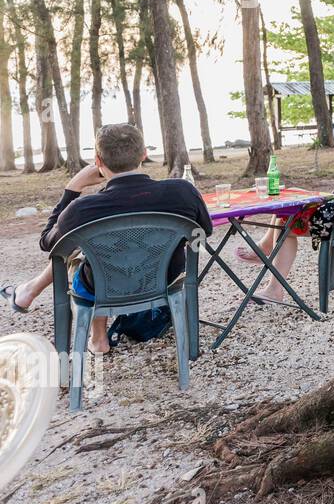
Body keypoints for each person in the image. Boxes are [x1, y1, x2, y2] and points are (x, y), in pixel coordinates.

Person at [1, 124, 213, 353]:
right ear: (144, 154)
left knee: (77, 255)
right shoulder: (183, 191)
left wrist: (73, 188)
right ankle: (30, 292)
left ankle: (97, 338)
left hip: (103, 287)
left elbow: (48, 243)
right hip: (166, 279)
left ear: (98, 162)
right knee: (92, 251)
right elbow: (204, 230)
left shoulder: (82, 209)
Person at [234, 175, 334, 301]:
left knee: (285, 222)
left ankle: (274, 290)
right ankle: (264, 248)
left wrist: (329, 195)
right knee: (291, 200)